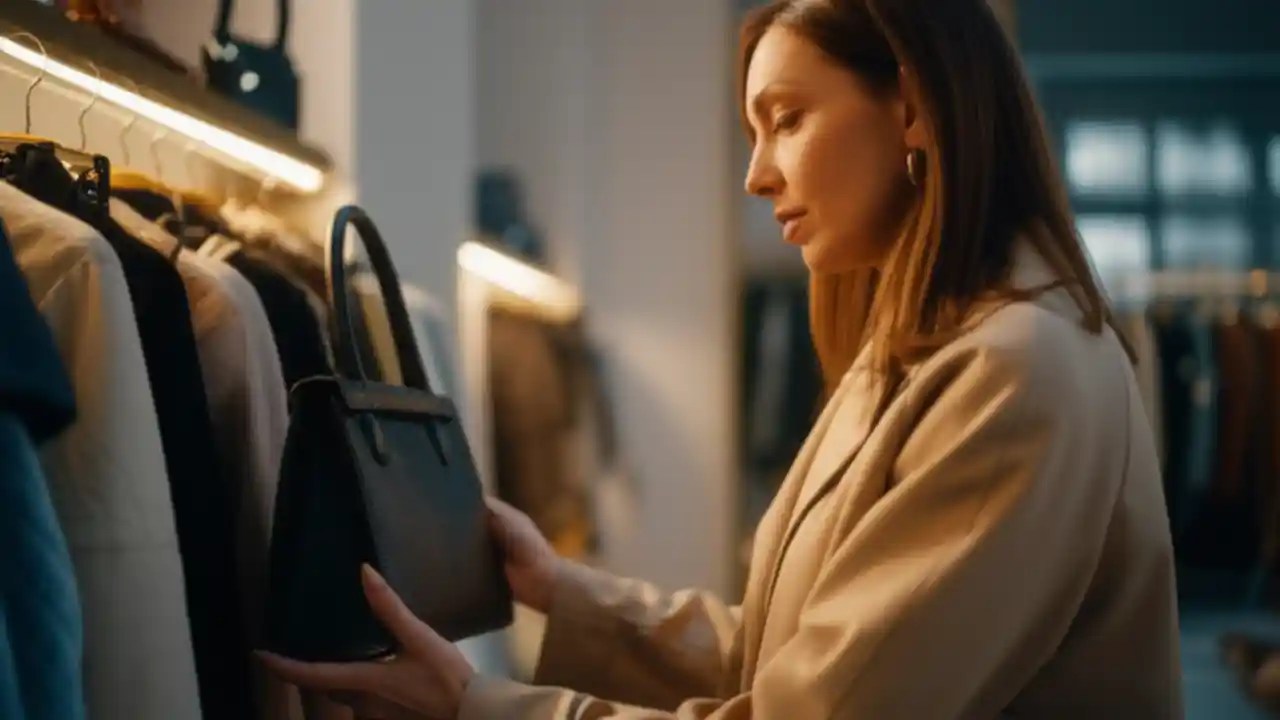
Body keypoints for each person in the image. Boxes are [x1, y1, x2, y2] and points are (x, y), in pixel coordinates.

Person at [259, 0, 1183, 717]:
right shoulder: (917, 354)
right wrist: (563, 592)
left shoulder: (1014, 371)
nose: (757, 174)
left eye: (786, 119)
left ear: (911, 106)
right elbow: (799, 657)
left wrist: (476, 706)